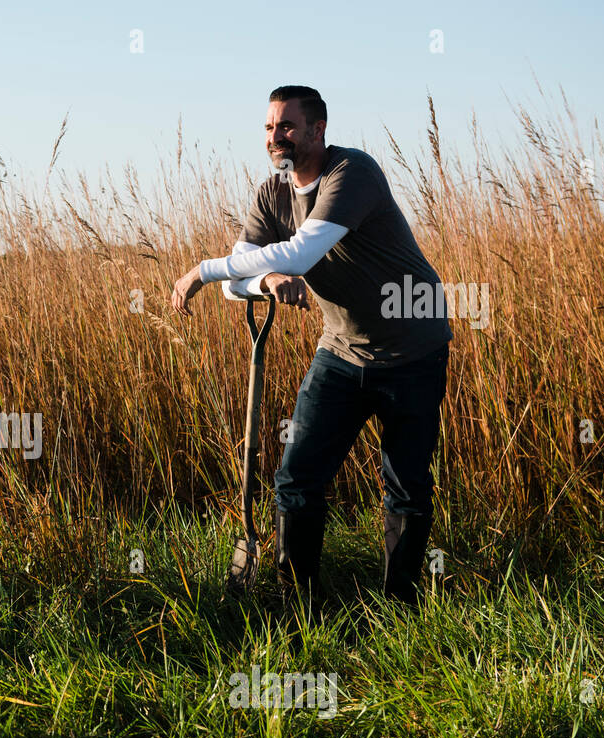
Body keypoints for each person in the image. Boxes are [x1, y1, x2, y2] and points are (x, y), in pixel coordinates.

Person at [170, 85, 453, 613]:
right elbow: (244, 280)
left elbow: (301, 252)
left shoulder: (353, 173)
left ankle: (401, 610)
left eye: (288, 126)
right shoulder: (270, 194)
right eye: (270, 126)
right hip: (342, 350)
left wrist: (204, 271)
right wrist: (266, 281)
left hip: (413, 348)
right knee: (298, 474)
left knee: (406, 483)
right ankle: (300, 605)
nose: (276, 136)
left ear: (318, 130)